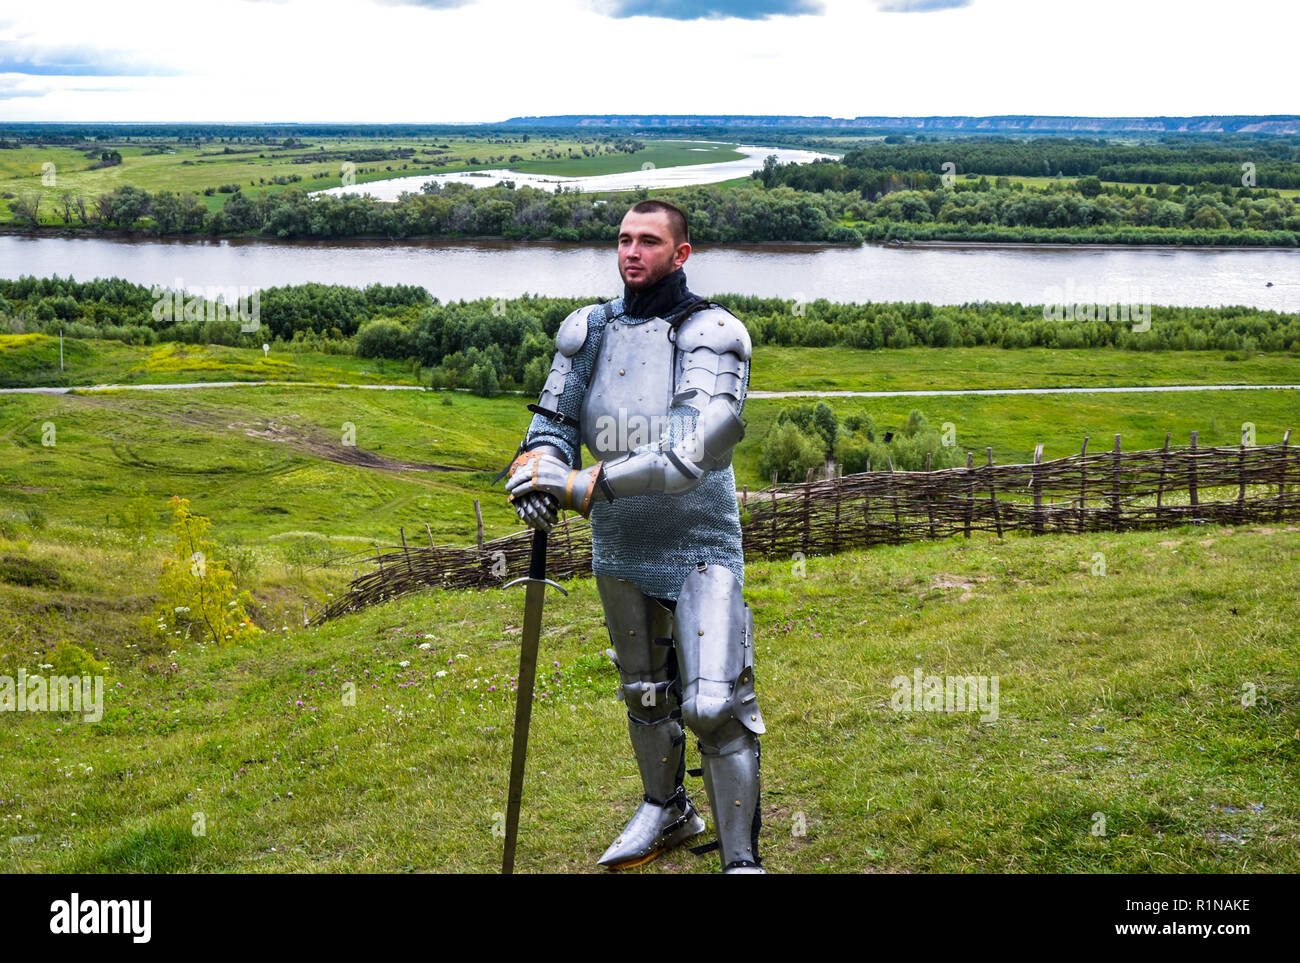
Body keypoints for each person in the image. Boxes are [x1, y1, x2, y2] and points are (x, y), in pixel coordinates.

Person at [501, 199, 765, 874]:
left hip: (698, 542)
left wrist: (579, 487)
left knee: (712, 702)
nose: (631, 252)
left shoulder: (713, 333)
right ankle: (667, 806)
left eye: (648, 241)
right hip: (619, 543)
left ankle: (741, 860)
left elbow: (685, 453)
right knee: (644, 692)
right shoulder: (588, 329)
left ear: (681, 253)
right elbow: (552, 423)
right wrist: (537, 474)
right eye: (623, 239)